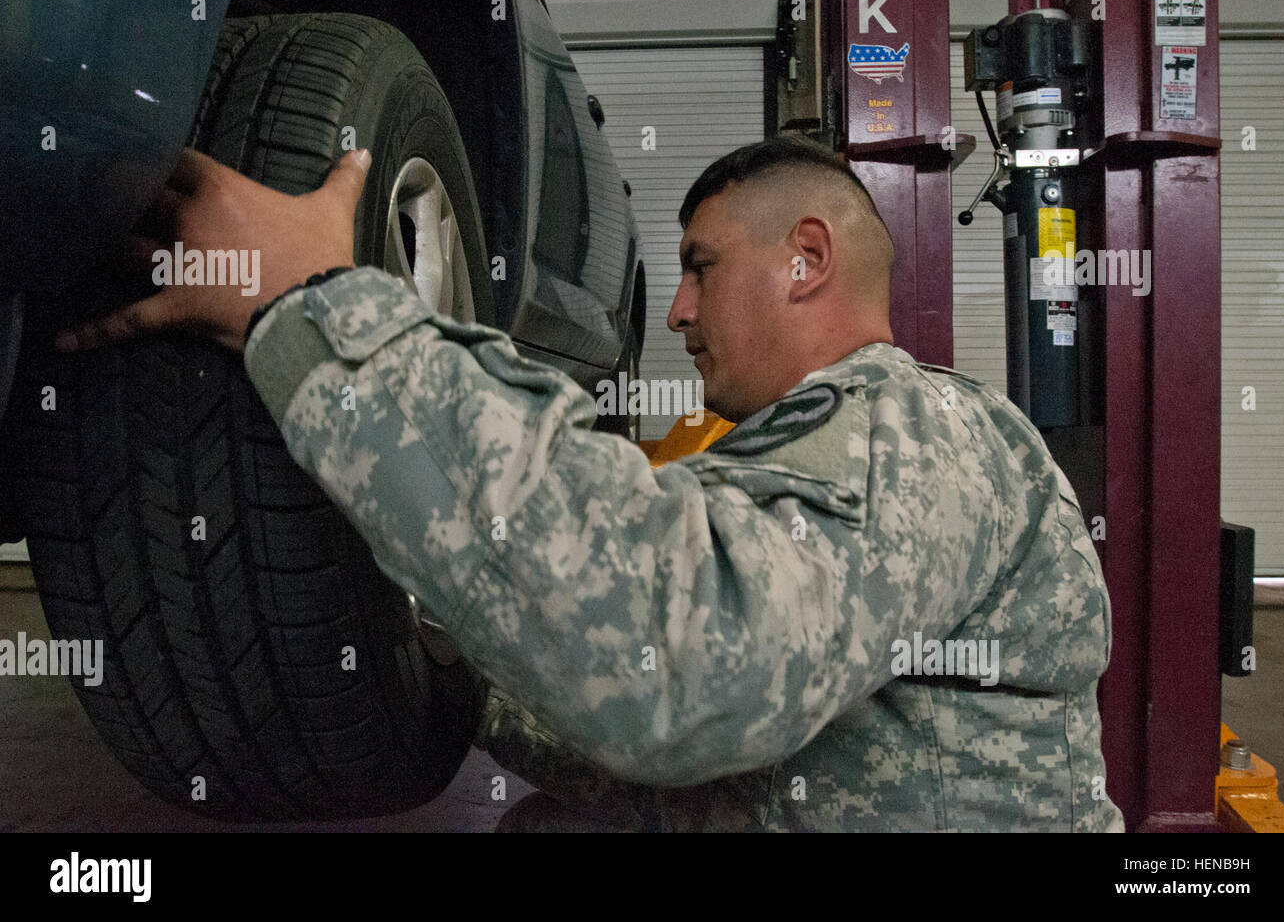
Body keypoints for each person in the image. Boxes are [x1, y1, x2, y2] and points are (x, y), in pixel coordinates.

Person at [56, 136, 1124, 833]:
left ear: (805, 259)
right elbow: (620, 708)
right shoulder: (777, 465)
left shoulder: (924, 428)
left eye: (701, 265)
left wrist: (327, 313)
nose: (676, 313)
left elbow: (695, 665)